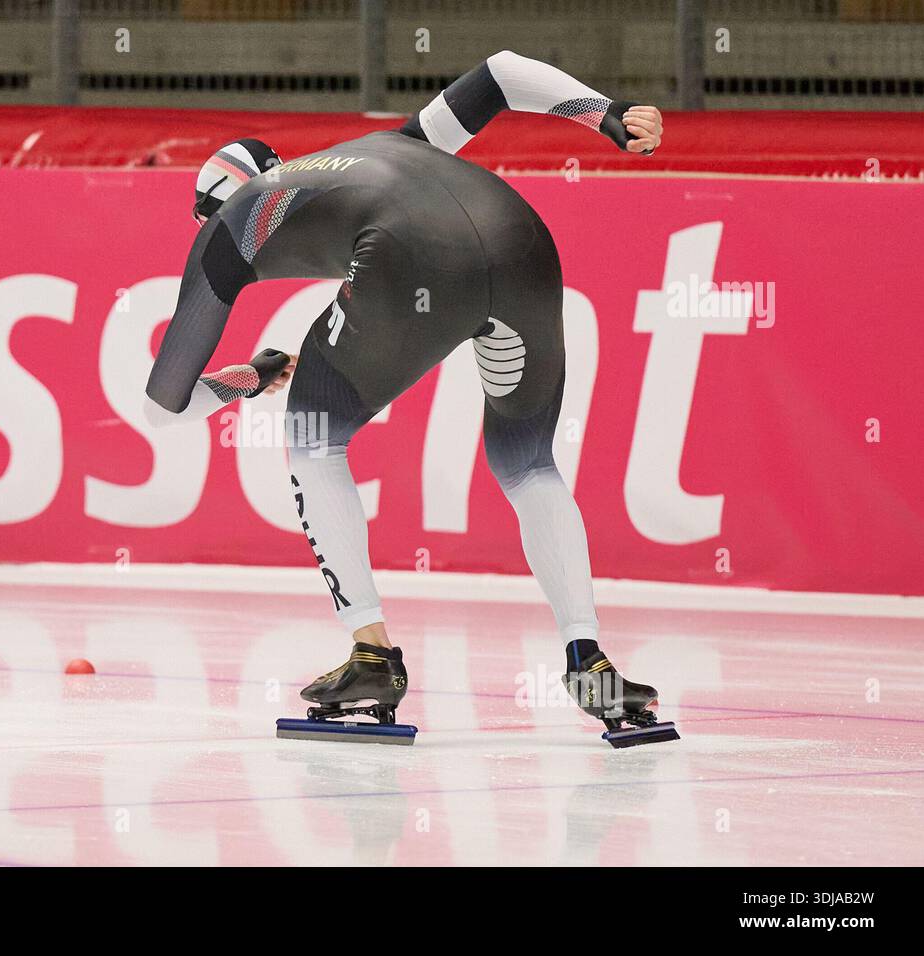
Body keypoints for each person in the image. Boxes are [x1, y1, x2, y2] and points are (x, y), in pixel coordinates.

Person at [144, 50, 677, 746]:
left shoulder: (226, 228)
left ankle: (371, 654)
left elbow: (163, 407)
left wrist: (256, 370)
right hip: (523, 243)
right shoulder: (387, 147)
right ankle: (587, 657)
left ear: (216, 200)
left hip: (408, 257)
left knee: (313, 428)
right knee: (527, 462)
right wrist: (605, 114)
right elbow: (503, 72)